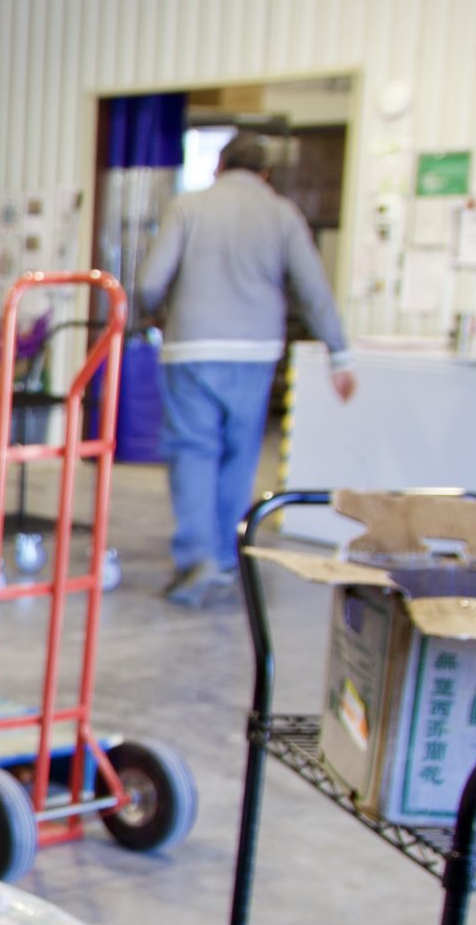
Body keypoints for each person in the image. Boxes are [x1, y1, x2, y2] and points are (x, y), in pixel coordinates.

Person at [136, 132, 356, 606]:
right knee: (239, 455)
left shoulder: (188, 207)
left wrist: (155, 312)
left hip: (192, 349)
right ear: (266, 173)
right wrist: (339, 354)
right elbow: (313, 288)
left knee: (193, 452)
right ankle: (225, 557)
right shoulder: (283, 214)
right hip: (255, 353)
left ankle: (196, 556)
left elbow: (150, 281)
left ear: (218, 166)